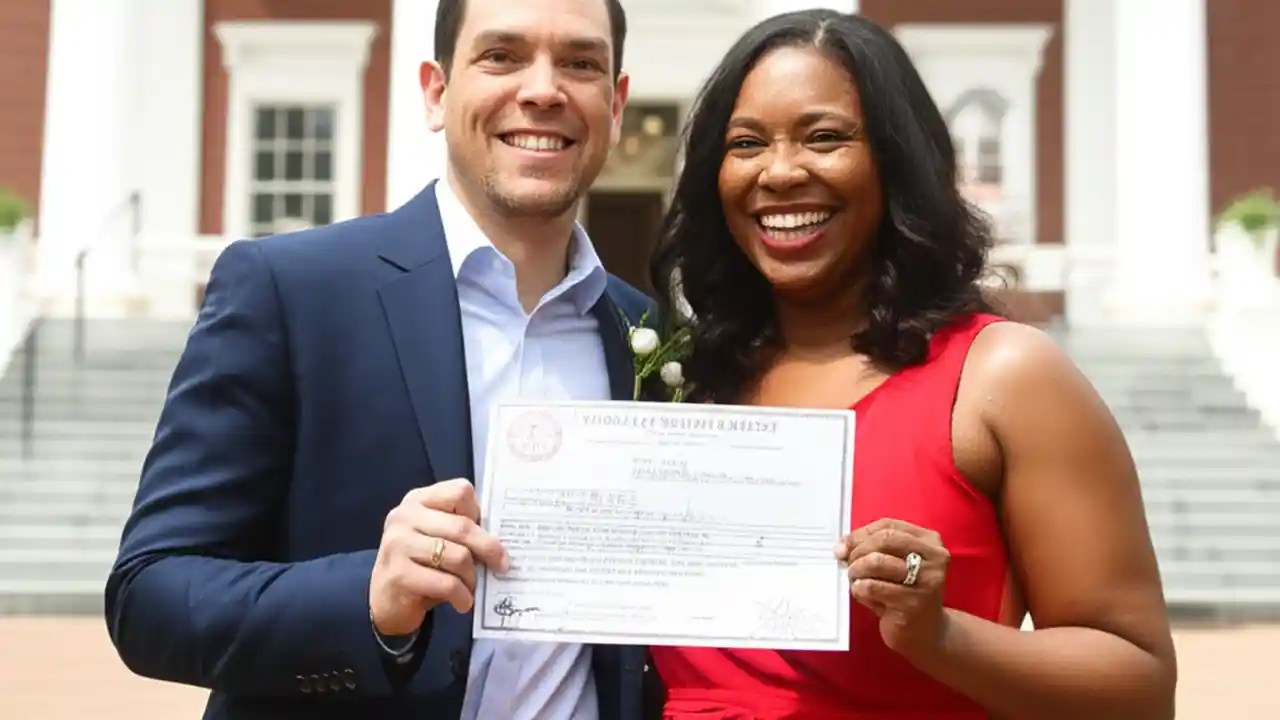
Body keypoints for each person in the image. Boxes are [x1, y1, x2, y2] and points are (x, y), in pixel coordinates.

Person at [105, 0, 659, 718]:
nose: (544, 90)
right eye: (501, 56)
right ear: (436, 91)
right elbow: (149, 597)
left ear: (615, 105)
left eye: (581, 63)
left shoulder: (645, 331)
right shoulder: (290, 293)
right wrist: (366, 596)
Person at [647, 10, 1177, 719]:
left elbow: (1140, 688)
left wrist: (939, 636)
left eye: (825, 137)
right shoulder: (691, 383)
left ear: (897, 161)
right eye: (746, 144)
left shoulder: (1003, 377)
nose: (779, 172)